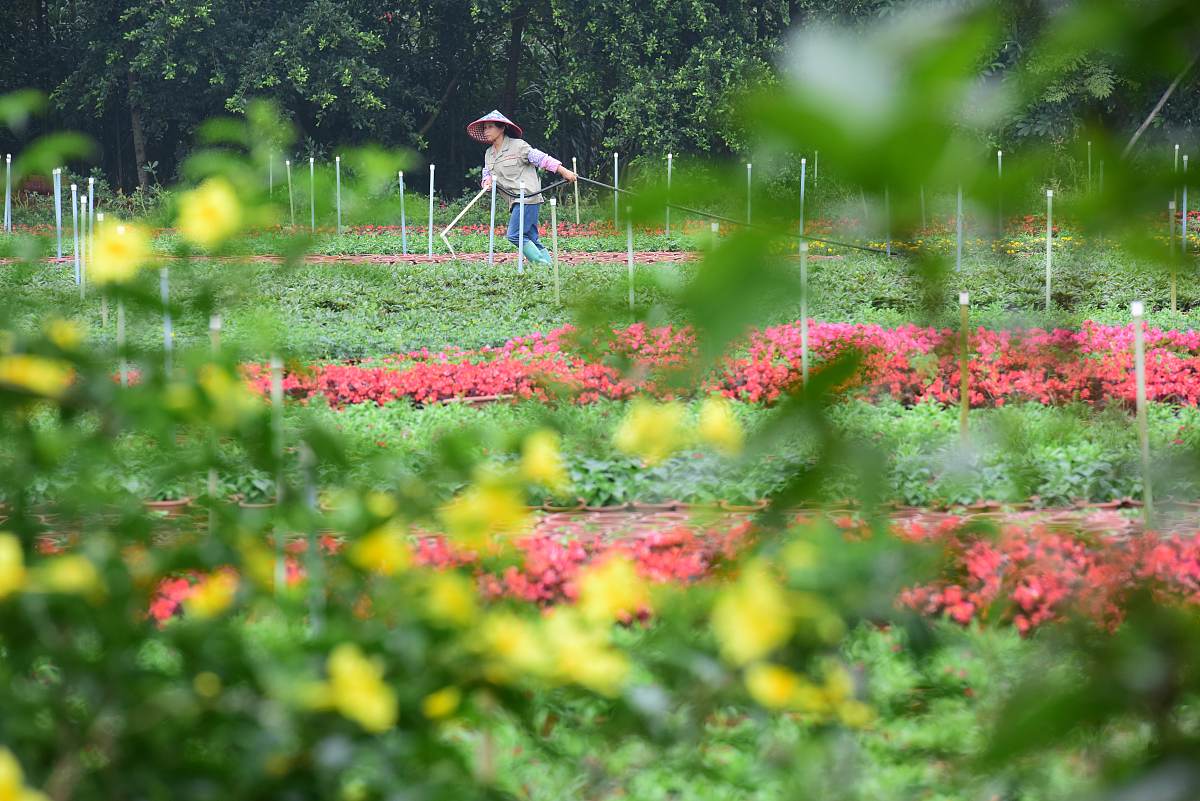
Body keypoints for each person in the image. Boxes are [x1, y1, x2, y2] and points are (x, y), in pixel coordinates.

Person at [467, 110, 576, 264]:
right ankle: (550, 267)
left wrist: (564, 172)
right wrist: (486, 182)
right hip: (514, 201)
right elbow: (487, 172)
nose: (486, 131)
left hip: (527, 197)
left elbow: (542, 159)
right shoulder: (489, 153)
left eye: (490, 127)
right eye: (485, 128)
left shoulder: (518, 146)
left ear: (501, 128)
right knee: (531, 237)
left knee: (514, 234)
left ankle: (543, 266)